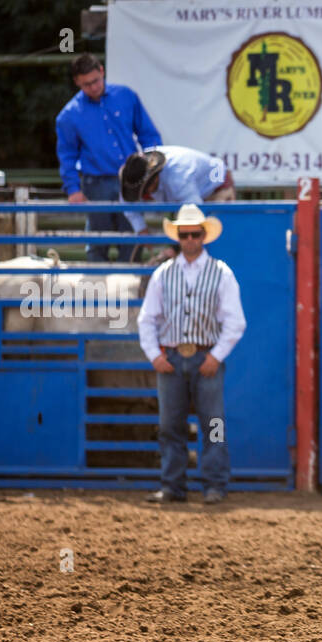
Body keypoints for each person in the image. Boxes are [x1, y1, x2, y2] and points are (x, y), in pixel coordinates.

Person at [137, 205, 246, 504]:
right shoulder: (163, 274)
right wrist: (154, 355)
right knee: (171, 424)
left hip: (205, 356)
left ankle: (214, 485)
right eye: (184, 234)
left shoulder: (221, 273)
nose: (189, 239)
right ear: (179, 237)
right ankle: (173, 485)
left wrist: (216, 356)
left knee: (213, 424)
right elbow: (147, 318)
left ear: (203, 236)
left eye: (194, 234)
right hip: (171, 357)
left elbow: (235, 321)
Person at [55, 53, 162, 262]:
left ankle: (129, 287)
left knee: (132, 237)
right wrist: (73, 189)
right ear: (77, 82)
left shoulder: (127, 96)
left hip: (131, 180)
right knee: (97, 239)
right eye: (87, 84)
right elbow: (67, 154)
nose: (94, 87)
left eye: (96, 80)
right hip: (96, 182)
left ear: (102, 71)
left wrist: (152, 171)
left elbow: (148, 134)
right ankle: (97, 290)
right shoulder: (69, 115)